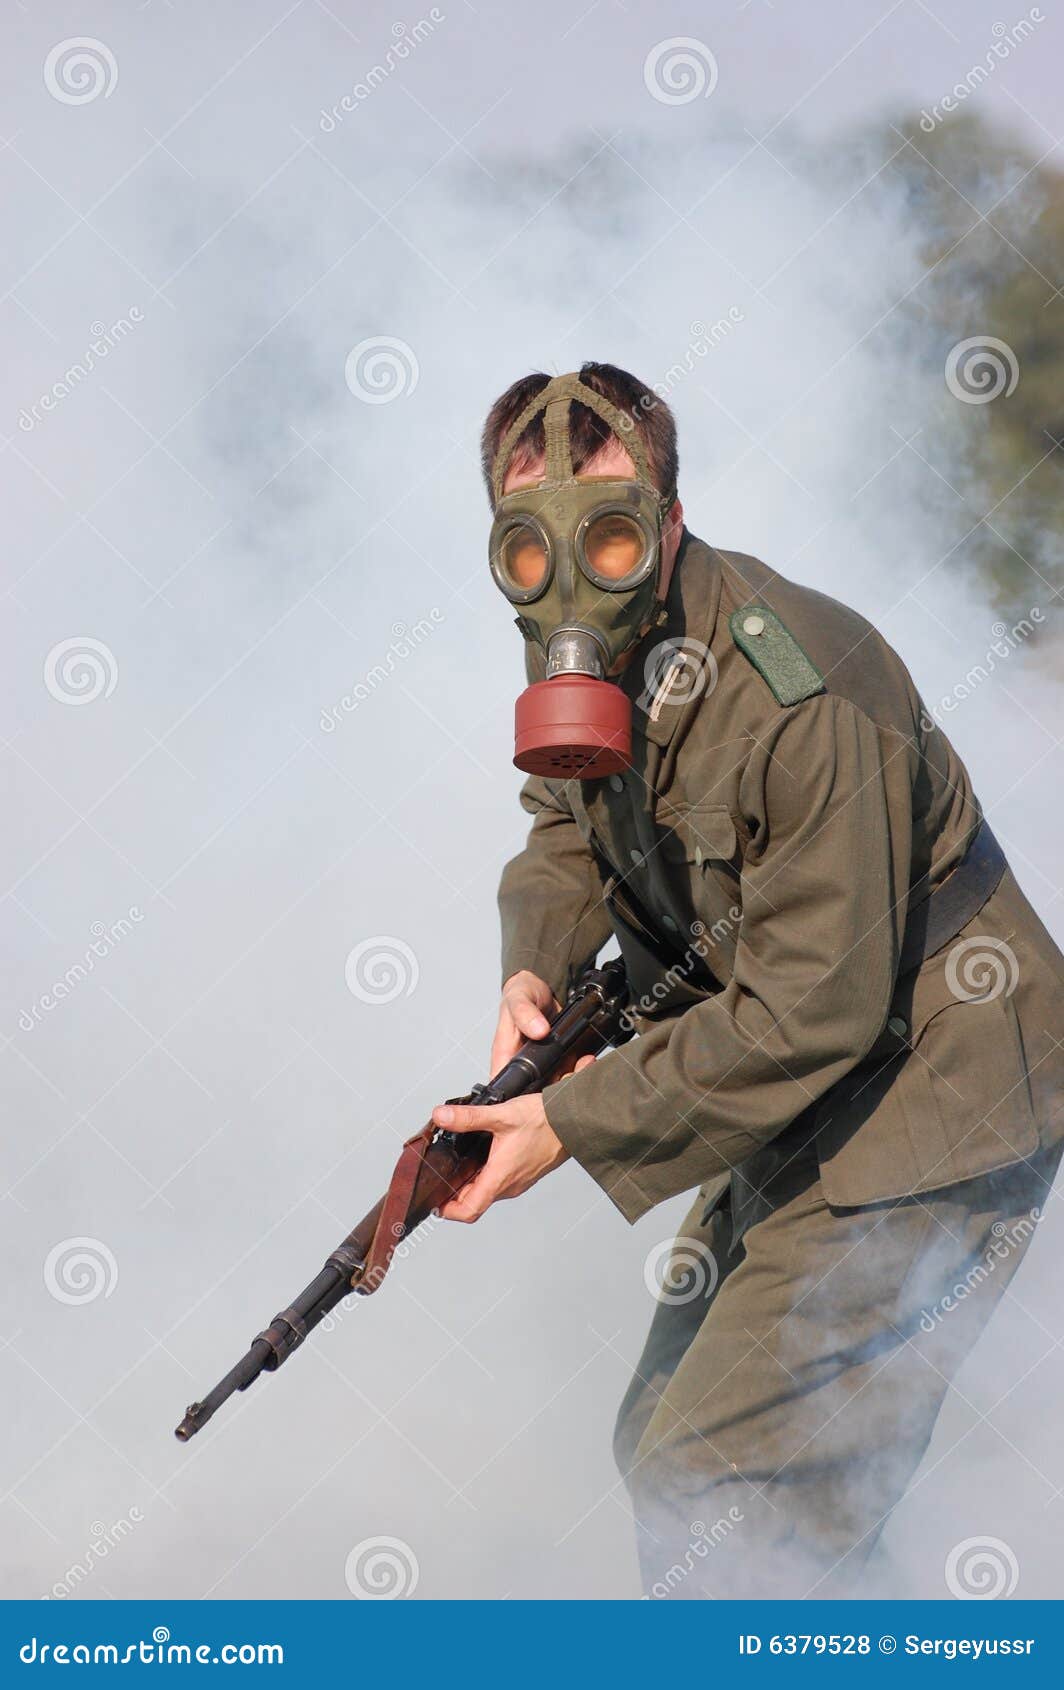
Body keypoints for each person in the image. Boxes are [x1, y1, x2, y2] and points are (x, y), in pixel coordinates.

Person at [430, 362, 1064, 1598]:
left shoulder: (801, 693)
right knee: (670, 1437)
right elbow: (565, 823)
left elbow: (805, 1004)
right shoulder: (606, 666)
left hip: (940, 1101)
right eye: (529, 552)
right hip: (813, 1088)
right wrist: (534, 959)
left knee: (722, 1475)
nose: (570, 581)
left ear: (668, 527)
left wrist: (563, 1122)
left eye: (610, 536)